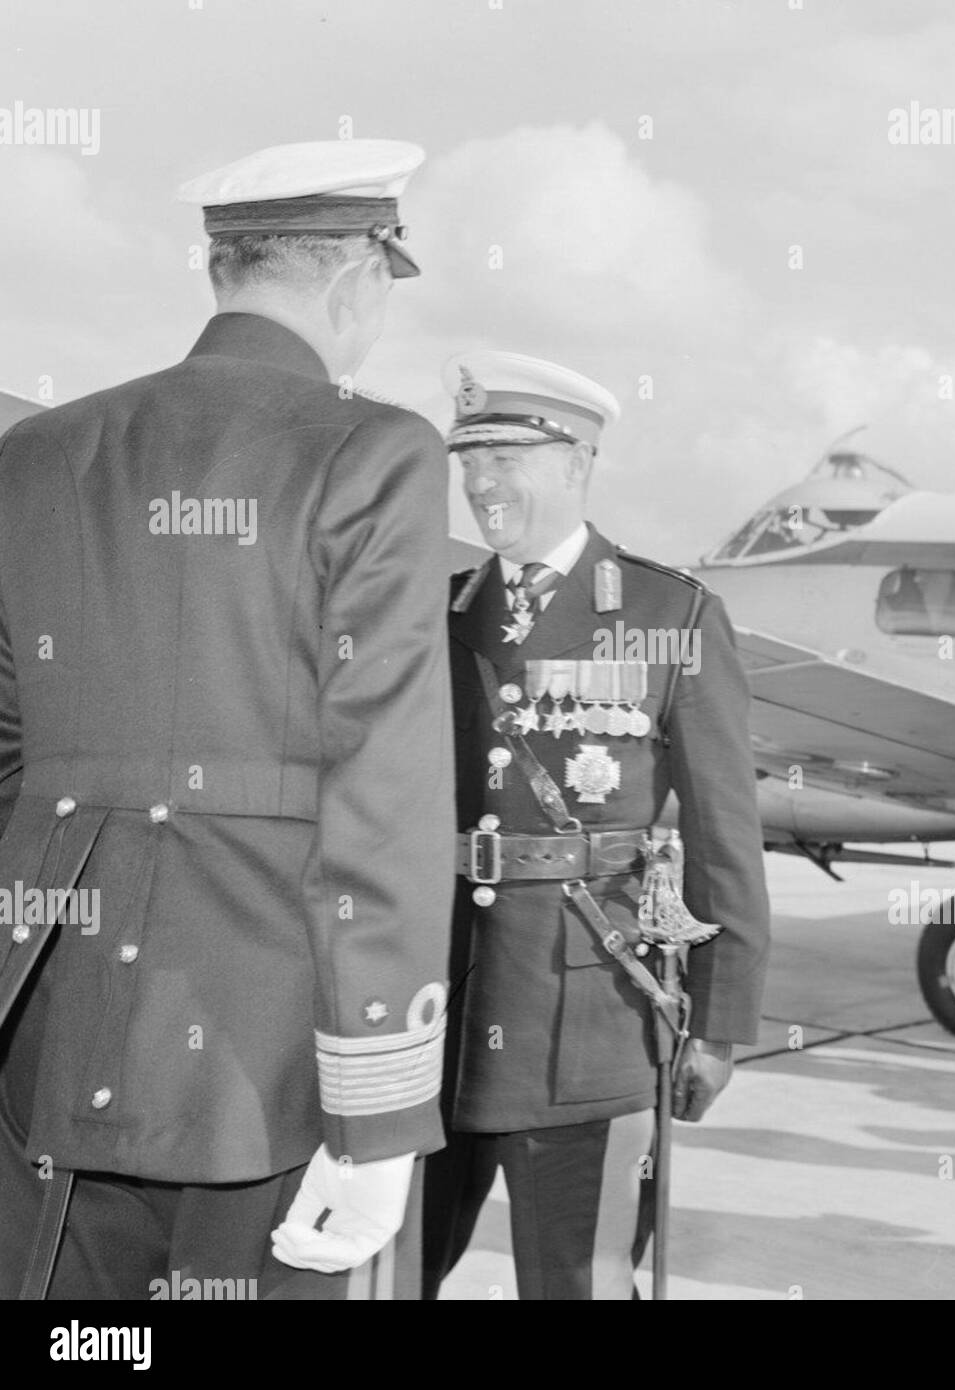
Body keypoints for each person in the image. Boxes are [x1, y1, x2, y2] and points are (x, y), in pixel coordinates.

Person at [0, 139, 455, 1299]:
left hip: (48, 1030)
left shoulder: (42, 450)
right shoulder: (374, 449)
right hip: (266, 1067)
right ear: (358, 277)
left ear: (223, 268)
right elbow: (384, 792)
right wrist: (382, 1114)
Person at [422, 351, 769, 1299]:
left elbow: (724, 833)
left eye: (505, 457)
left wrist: (720, 1022)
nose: (480, 483)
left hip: (589, 1020)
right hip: (431, 1012)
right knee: (388, 1275)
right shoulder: (428, 609)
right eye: (468, 459)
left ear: (577, 463)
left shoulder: (671, 615)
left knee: (577, 1281)